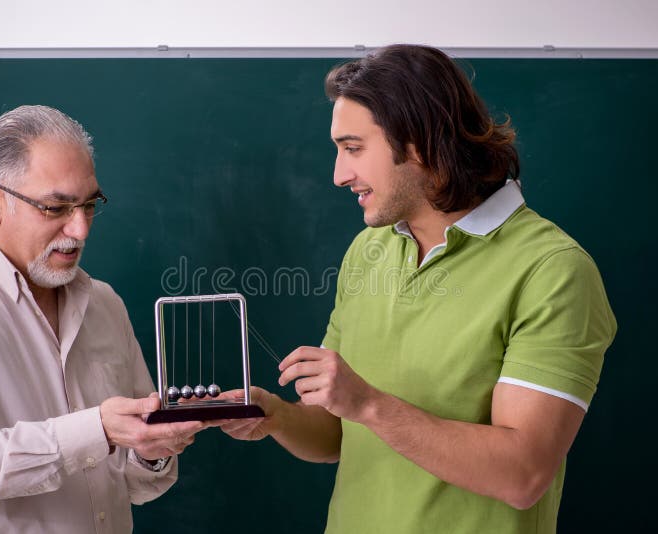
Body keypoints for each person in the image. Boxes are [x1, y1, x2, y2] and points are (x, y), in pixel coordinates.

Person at [216, 45, 617, 533]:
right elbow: (336, 434)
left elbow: (522, 474)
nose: (339, 175)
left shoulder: (553, 270)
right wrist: (275, 416)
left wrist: (369, 404)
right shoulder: (369, 249)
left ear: (420, 142)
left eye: (353, 148)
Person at [0, 105, 206, 533]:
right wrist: (95, 430)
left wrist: (151, 449)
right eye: (55, 207)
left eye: (89, 205)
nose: (80, 229)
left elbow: (135, 486)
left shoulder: (105, 304)